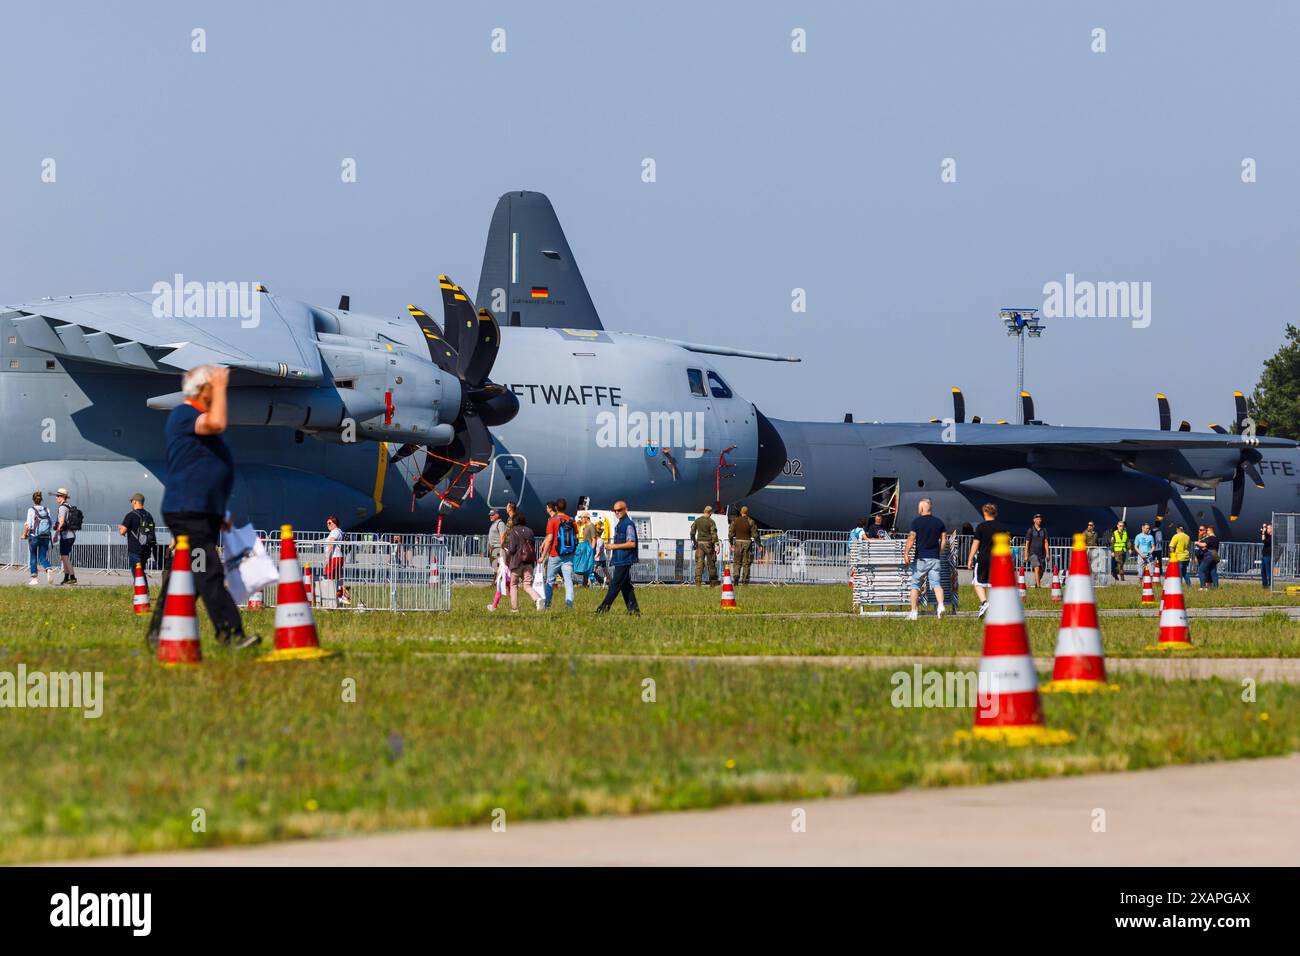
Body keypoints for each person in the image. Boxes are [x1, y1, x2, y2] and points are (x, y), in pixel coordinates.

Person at [146, 364, 259, 650]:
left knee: (187, 576)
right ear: (202, 390)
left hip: (199, 512)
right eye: (212, 389)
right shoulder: (185, 415)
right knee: (208, 571)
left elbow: (201, 467)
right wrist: (220, 386)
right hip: (189, 514)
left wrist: (217, 512)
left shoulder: (192, 417)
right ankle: (230, 635)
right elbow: (218, 423)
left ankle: (158, 633)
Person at [905, 498, 947, 621]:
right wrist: (939, 551)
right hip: (935, 558)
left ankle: (913, 612)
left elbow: (912, 539)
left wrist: (906, 553)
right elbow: (944, 539)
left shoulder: (916, 522)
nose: (918, 509)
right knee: (936, 584)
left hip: (921, 559)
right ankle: (941, 606)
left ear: (922, 508)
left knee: (915, 585)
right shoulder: (939, 522)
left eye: (919, 507)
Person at [596, 500, 640, 616]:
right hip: (620, 559)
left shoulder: (628, 525)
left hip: (625, 559)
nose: (617, 512)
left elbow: (632, 543)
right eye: (615, 510)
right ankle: (634, 612)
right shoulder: (619, 525)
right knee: (626, 587)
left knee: (614, 585)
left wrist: (613, 546)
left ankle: (603, 609)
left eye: (619, 510)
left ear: (626, 510)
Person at [967, 502, 1005, 619]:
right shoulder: (1001, 527)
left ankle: (984, 603)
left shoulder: (981, 527)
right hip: (997, 559)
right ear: (995, 513)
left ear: (985, 513)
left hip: (983, 558)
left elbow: (975, 544)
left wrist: (970, 558)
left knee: (978, 583)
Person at [539, 498, 577, 609]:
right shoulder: (571, 520)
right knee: (568, 580)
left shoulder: (553, 520)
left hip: (555, 554)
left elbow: (550, 539)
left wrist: (542, 556)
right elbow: (575, 536)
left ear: (556, 508)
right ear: (565, 507)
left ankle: (547, 605)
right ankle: (569, 605)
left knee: (550, 580)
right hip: (568, 555)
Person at [503, 511, 543, 611]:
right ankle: (537, 599)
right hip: (529, 562)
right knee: (527, 585)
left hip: (516, 563)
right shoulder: (530, 531)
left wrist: (507, 550)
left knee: (513, 585)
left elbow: (512, 549)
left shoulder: (513, 531)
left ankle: (515, 608)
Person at [118, 493, 157, 586]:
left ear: (135, 501)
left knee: (137, 573)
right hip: (146, 548)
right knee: (141, 570)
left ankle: (143, 592)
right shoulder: (149, 515)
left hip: (135, 549)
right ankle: (140, 590)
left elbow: (122, 531)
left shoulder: (131, 515)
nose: (132, 503)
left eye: (132, 501)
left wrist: (120, 528)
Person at [21, 490, 55, 586]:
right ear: (41, 500)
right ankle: (48, 568)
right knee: (42, 556)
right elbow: (51, 522)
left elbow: (28, 525)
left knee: (33, 556)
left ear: (33, 500)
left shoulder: (31, 510)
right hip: (45, 536)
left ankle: (34, 579)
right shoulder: (46, 509)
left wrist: (24, 535)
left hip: (34, 536)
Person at [53, 487, 79, 585]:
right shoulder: (68, 506)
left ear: (63, 497)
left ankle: (72, 577)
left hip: (66, 536)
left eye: (58, 496)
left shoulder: (62, 507)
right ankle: (66, 577)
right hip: (70, 535)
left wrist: (55, 535)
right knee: (64, 556)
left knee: (64, 556)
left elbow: (61, 522)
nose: (56, 497)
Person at [691, 505, 720, 586]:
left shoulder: (697, 520)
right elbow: (713, 534)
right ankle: (713, 583)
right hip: (708, 544)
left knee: (699, 564)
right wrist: (717, 544)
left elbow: (692, 532)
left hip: (699, 544)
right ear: (710, 513)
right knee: (711, 564)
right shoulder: (711, 521)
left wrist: (694, 541)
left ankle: (698, 583)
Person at [486, 507, 508, 610]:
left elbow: (502, 536)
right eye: (490, 515)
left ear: (497, 515)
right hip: (493, 548)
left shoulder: (500, 524)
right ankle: (496, 583)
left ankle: (498, 584)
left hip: (498, 548)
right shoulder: (494, 524)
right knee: (495, 567)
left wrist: (501, 549)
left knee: (499, 568)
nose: (490, 516)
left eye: (492, 514)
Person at [729, 505, 756, 584]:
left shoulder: (735, 521)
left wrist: (731, 543)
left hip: (738, 542)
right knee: (746, 562)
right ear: (747, 513)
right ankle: (745, 580)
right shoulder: (750, 521)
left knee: (737, 561)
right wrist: (759, 544)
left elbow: (730, 533)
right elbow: (755, 534)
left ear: (741, 512)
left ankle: (736, 577)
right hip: (747, 542)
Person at [573, 512, 596, 587]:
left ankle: (590, 583)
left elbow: (594, 539)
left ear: (586, 518)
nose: (581, 519)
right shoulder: (586, 526)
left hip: (589, 549)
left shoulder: (591, 526)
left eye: (582, 518)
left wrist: (591, 550)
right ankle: (585, 584)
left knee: (589, 566)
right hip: (586, 549)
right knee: (586, 566)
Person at [1025, 514, 1049, 587]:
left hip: (1041, 554)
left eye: (1040, 519)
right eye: (1038, 519)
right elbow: (1027, 543)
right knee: (1037, 567)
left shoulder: (1044, 530)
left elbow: (1046, 542)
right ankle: (1038, 586)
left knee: (1042, 571)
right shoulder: (1030, 530)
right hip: (1033, 553)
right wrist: (1026, 555)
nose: (1039, 520)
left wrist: (1048, 554)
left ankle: (1036, 583)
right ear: (1034, 520)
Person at [1196, 524, 1221, 590]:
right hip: (1215, 556)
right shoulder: (1216, 539)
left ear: (1210, 530)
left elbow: (1204, 544)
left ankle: (1202, 587)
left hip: (1209, 556)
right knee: (1213, 572)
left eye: (1207, 530)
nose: (1206, 531)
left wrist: (1197, 543)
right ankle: (1216, 587)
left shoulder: (1210, 538)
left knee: (1201, 570)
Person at [1261, 522, 1273, 589]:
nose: (1267, 529)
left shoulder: (1272, 537)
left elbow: (1264, 541)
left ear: (1271, 529)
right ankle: (1265, 585)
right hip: (1264, 556)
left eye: (1268, 528)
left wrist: (1263, 533)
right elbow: (1261, 532)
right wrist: (1263, 527)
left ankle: (1271, 585)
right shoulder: (1268, 536)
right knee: (1263, 572)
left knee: (1268, 572)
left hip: (1268, 556)